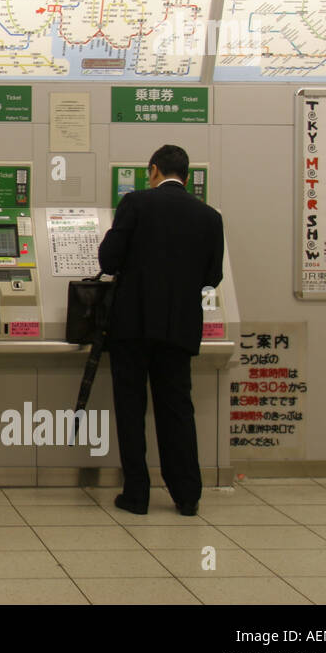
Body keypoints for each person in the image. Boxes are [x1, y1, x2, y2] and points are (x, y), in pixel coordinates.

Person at [98, 144, 224, 517]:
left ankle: (136, 494)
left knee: (131, 409)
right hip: (179, 327)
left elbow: (108, 260)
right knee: (177, 409)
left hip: (132, 326)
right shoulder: (209, 216)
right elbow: (212, 276)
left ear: (153, 170)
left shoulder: (135, 204)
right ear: (185, 175)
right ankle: (186, 495)